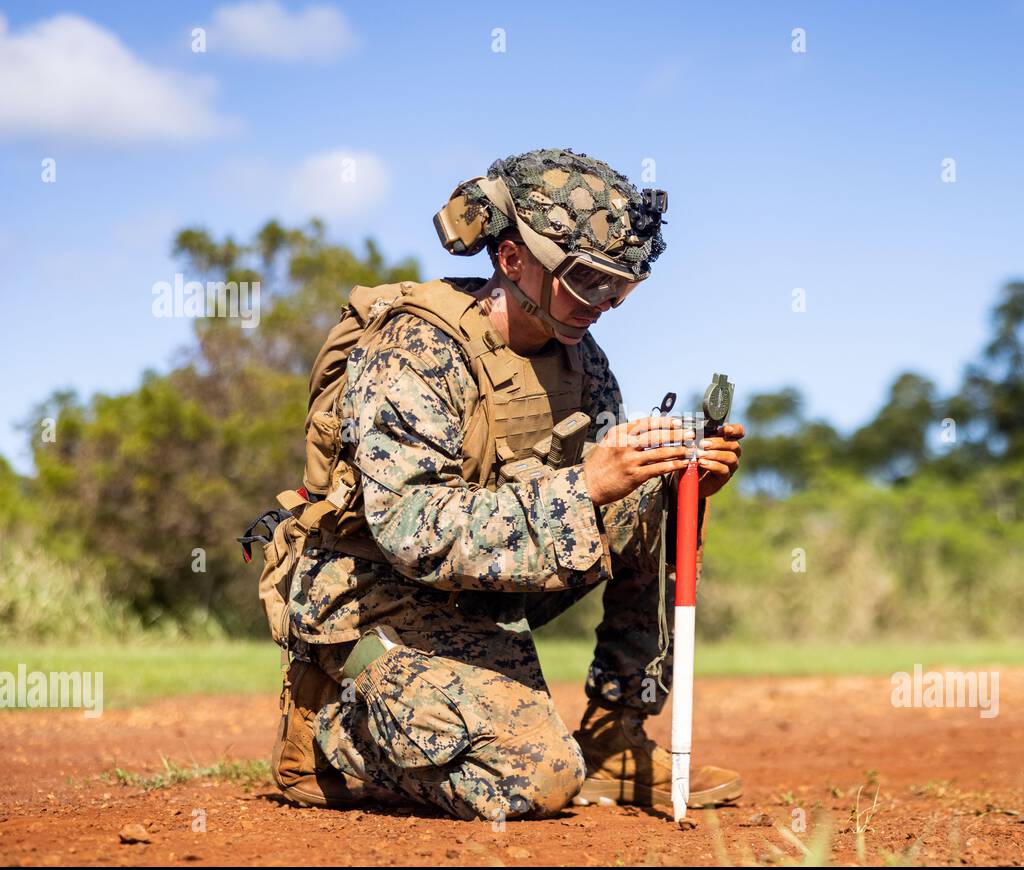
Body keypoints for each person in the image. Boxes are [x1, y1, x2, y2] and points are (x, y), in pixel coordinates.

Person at [270, 148, 746, 820]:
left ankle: (616, 731)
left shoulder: (581, 358)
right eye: (585, 281)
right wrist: (585, 488)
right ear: (511, 259)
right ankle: (328, 729)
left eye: (620, 288)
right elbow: (412, 530)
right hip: (379, 599)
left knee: (653, 489)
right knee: (541, 775)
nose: (604, 306)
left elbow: (603, 495)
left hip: (471, 594)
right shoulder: (418, 349)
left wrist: (681, 488)